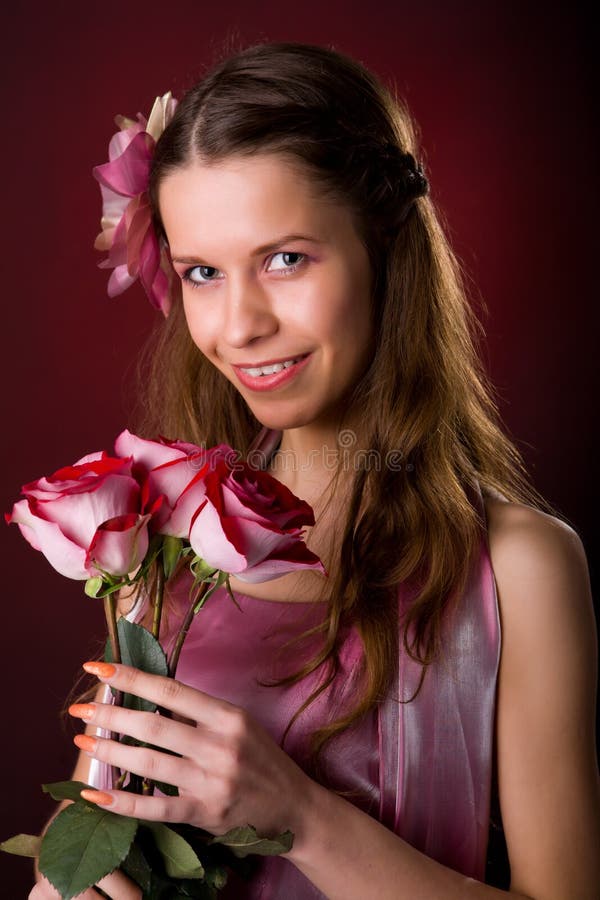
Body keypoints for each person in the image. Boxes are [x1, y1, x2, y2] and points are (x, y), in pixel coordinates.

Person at [31, 41, 599, 899]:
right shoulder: (156, 551)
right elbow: (93, 849)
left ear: (383, 248)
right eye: (202, 273)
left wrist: (300, 816)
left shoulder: (517, 571)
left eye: (285, 259)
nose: (239, 325)